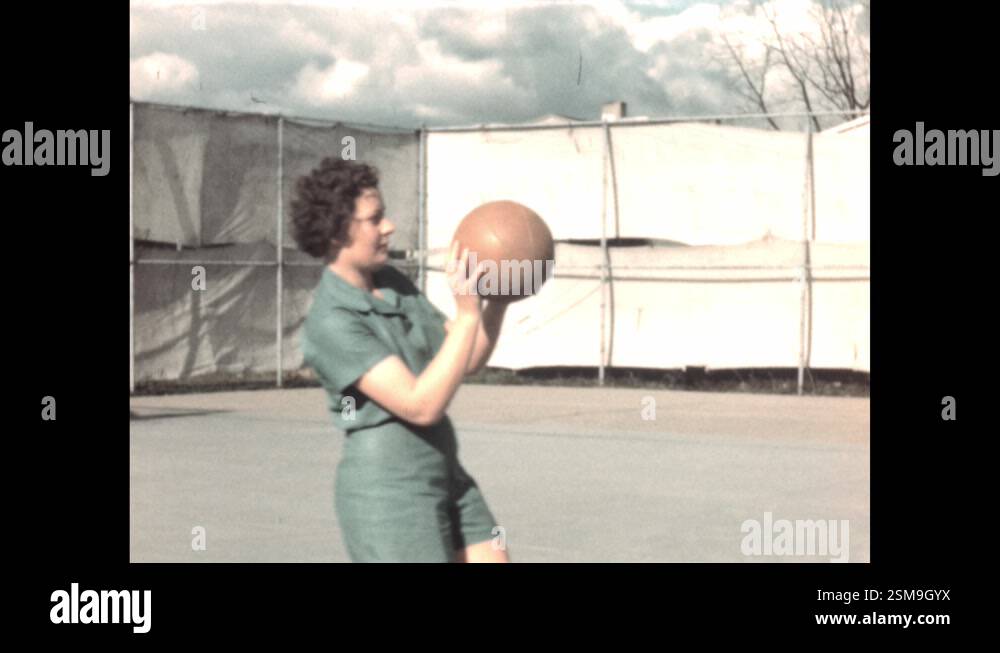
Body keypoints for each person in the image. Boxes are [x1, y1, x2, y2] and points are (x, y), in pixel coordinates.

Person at [292, 157, 510, 563]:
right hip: (389, 493)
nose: (388, 226)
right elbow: (420, 405)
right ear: (338, 232)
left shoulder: (392, 282)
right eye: (375, 219)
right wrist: (466, 314)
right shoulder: (331, 322)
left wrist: (496, 301)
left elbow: (467, 359)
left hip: (446, 473)